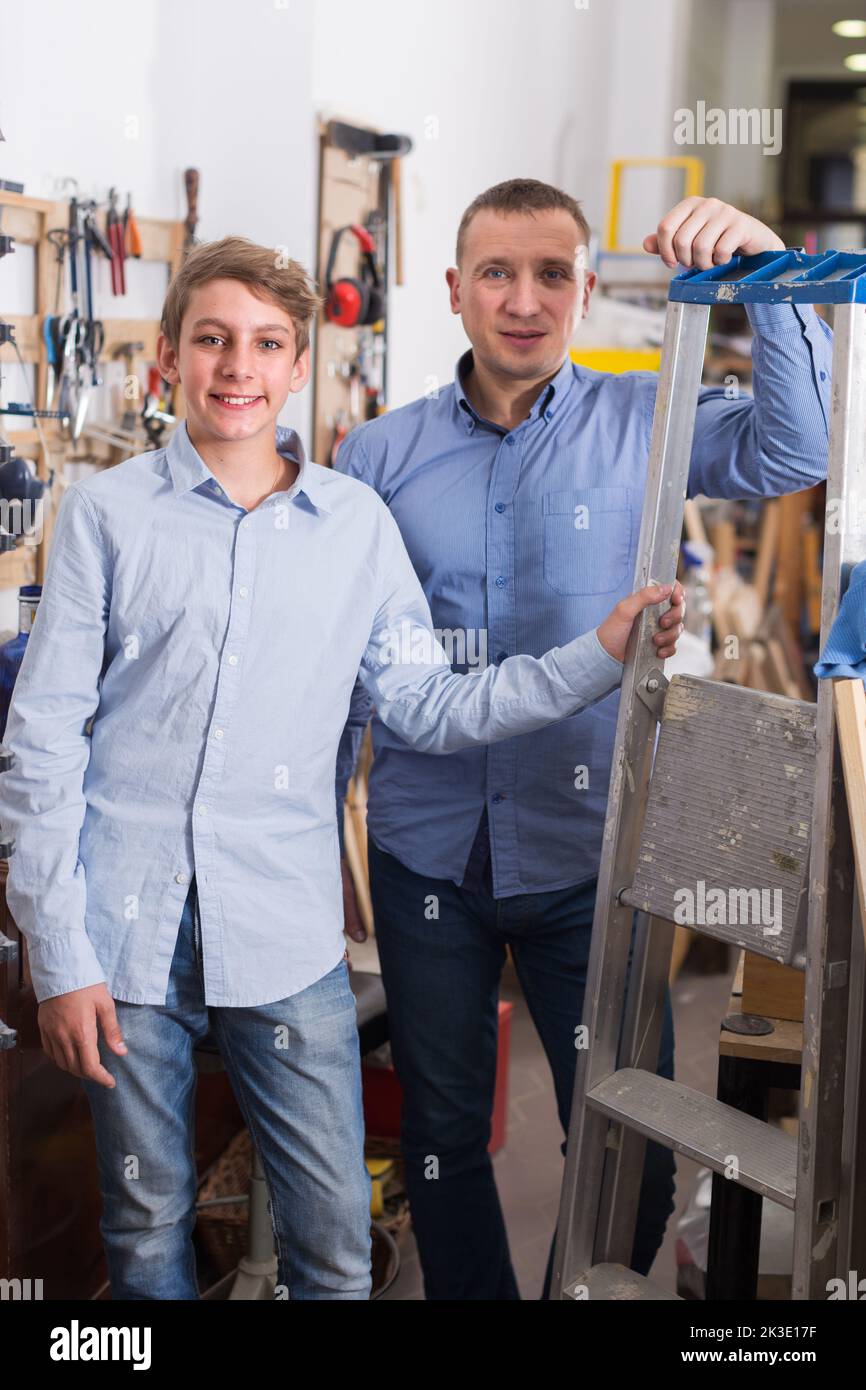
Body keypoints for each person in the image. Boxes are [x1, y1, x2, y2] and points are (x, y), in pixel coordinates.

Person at [0, 235, 685, 1301]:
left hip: (281, 932)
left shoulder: (354, 527)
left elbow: (430, 705)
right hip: (120, 936)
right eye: (212, 339)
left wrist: (594, 654)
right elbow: (43, 738)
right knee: (143, 1225)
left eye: (266, 343)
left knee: (330, 1239)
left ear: (298, 362)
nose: (238, 366)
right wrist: (60, 951)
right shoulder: (105, 517)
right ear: (169, 358)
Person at [335, 180, 834, 1300]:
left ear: (586, 289)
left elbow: (794, 451)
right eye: (497, 274)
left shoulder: (645, 423)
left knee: (629, 1146)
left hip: (588, 857)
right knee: (442, 1132)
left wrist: (762, 263)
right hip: (426, 854)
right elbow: (343, 670)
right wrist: (326, 839)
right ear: (453, 289)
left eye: (551, 273)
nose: (523, 300)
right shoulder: (377, 458)